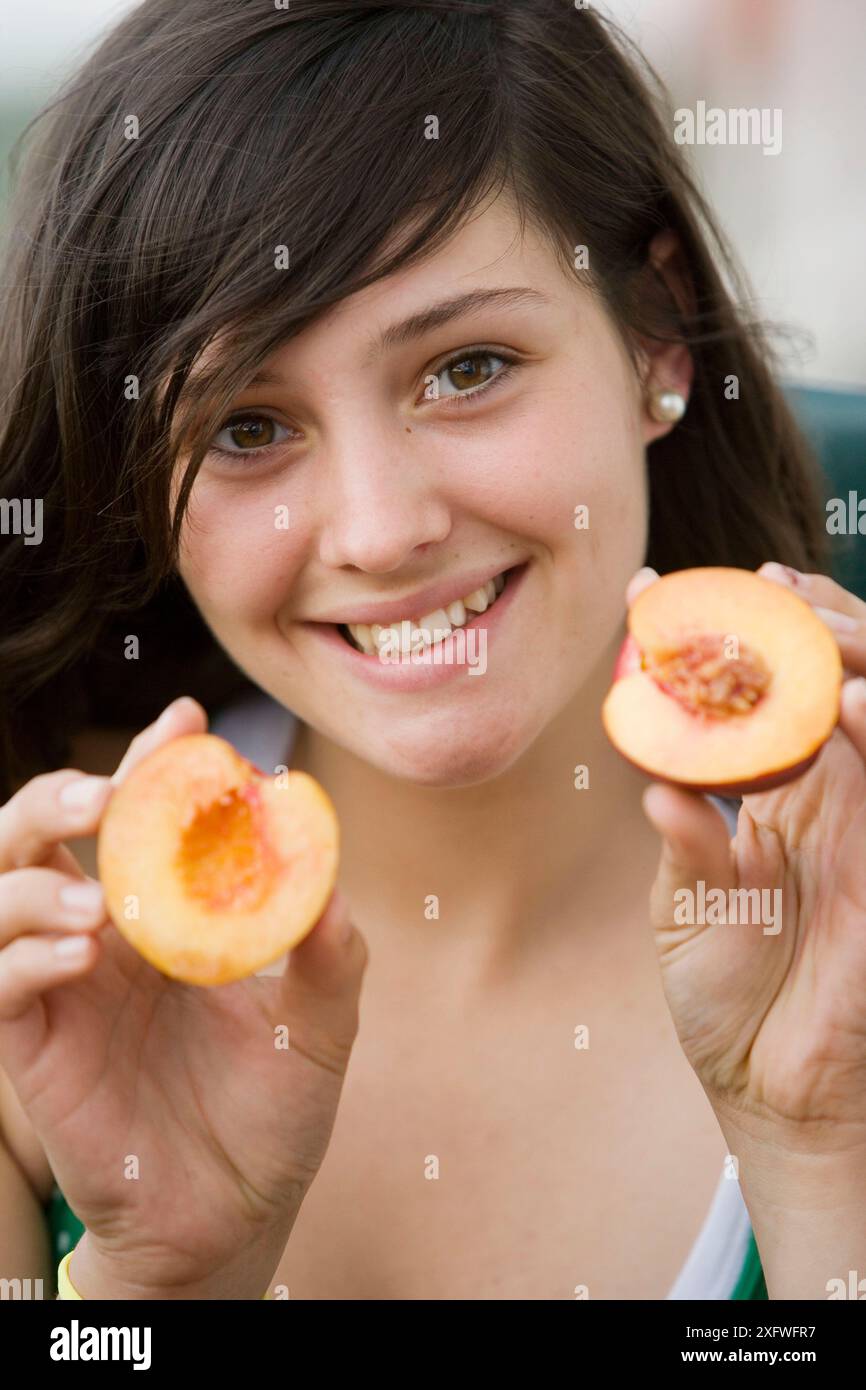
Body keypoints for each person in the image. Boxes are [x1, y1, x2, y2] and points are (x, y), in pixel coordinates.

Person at [1, 0, 864, 1301]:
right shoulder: (41, 960)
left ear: (654, 335)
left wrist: (823, 1156)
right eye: (245, 427)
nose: (383, 528)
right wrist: (164, 1286)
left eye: (466, 367)